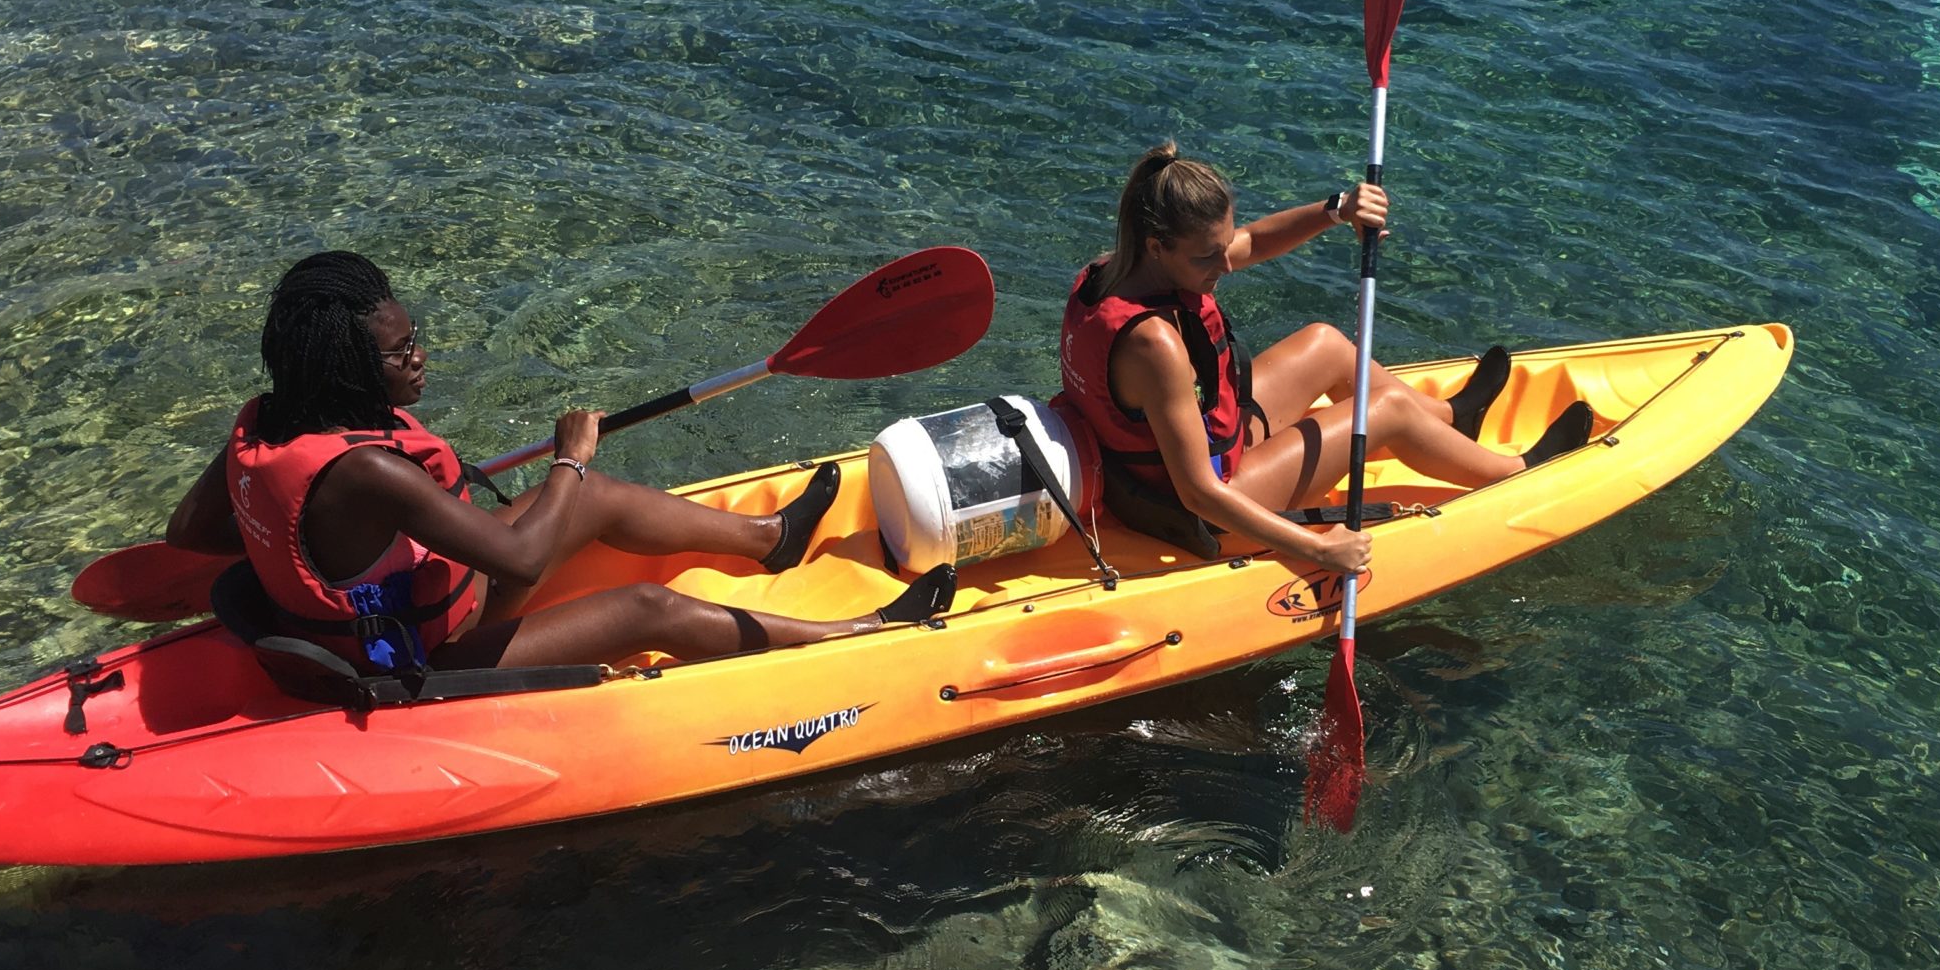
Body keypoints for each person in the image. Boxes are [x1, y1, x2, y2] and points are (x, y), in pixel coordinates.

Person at [166, 251, 952, 673]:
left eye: (413, 336)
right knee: (645, 609)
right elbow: (525, 557)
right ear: (344, 369)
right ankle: (852, 632)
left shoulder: (265, 425)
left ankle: (770, 539)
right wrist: (569, 458)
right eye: (401, 351)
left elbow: (192, 530)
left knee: (597, 497)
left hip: (409, 596)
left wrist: (305, 551)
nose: (420, 357)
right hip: (422, 651)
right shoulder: (366, 474)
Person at [1059, 143, 1583, 576]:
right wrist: (1319, 550)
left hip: (1211, 442)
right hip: (1205, 501)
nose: (1226, 263)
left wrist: (1338, 209)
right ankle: (1515, 471)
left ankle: (1451, 420)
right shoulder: (1153, 344)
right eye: (1207, 257)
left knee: (1326, 343)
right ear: (1157, 246)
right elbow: (1199, 493)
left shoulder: (1109, 270)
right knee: (1386, 412)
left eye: (1222, 245)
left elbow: (1254, 241)